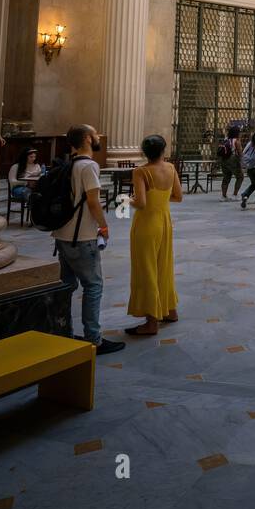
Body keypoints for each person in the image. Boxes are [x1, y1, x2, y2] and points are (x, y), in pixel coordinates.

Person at [54, 124, 125, 355]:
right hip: (82, 237)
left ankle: (63, 332)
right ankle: (94, 339)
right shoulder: (89, 166)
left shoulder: (70, 164)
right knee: (93, 286)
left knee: (67, 285)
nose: (98, 137)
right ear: (87, 138)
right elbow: (94, 202)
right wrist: (104, 226)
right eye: (94, 134)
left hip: (63, 236)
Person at [125, 134, 182, 337]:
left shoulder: (141, 171)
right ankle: (170, 311)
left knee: (146, 269)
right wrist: (160, 200)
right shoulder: (171, 168)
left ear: (144, 152)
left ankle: (151, 322)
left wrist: (126, 199)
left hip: (147, 224)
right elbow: (178, 196)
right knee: (164, 266)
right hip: (164, 222)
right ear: (163, 150)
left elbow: (140, 203)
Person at [220, 125, 243, 199]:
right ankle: (235, 195)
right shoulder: (236, 141)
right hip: (233, 160)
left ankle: (224, 196)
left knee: (226, 177)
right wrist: (241, 162)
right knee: (240, 177)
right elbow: (240, 153)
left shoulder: (226, 139)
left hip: (224, 160)